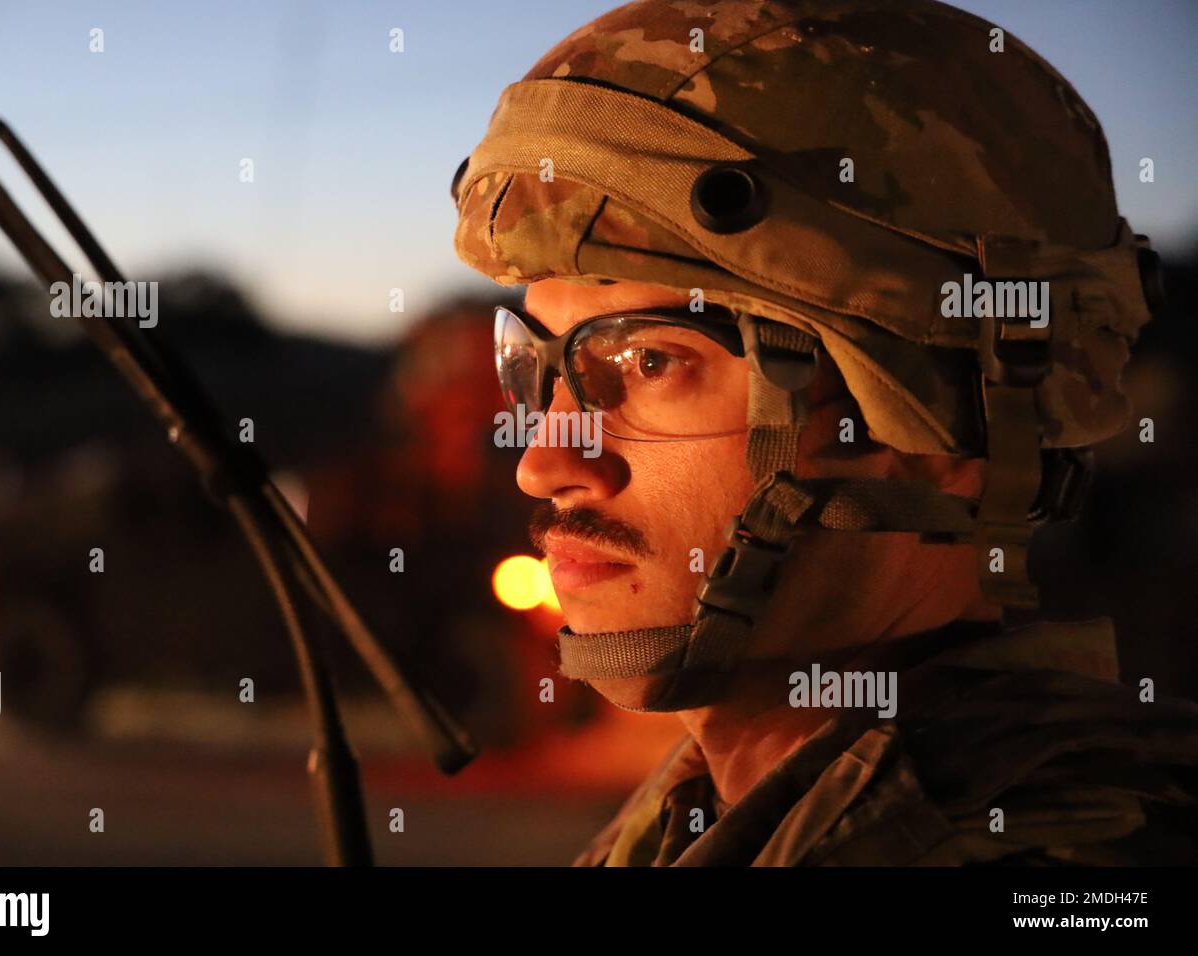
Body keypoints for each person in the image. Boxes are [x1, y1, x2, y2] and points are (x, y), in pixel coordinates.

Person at [450, 0, 1198, 865]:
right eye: (539, 364)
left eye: (650, 363)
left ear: (947, 423)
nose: (545, 466)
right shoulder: (712, 820)